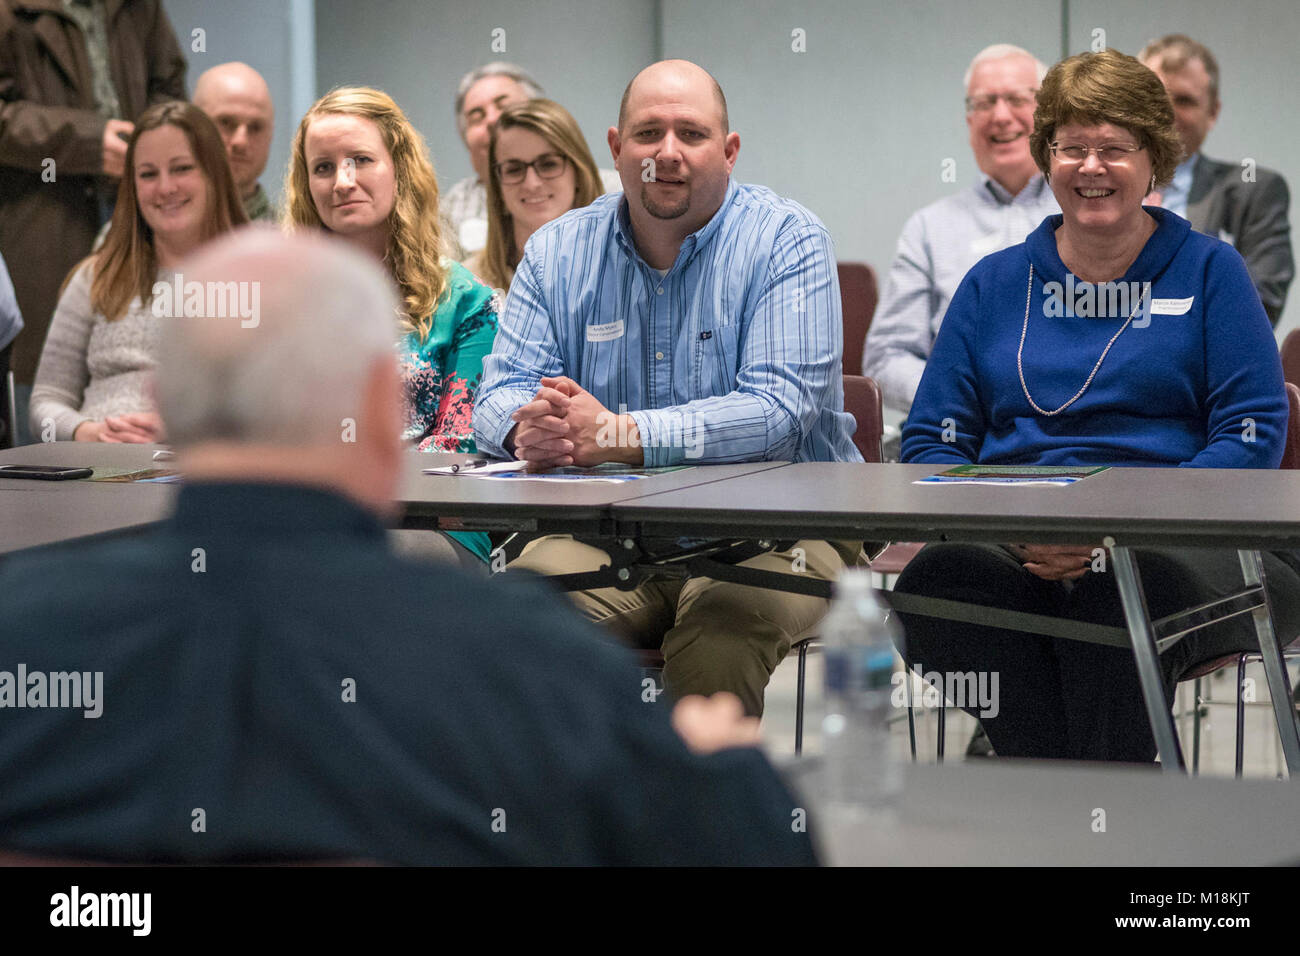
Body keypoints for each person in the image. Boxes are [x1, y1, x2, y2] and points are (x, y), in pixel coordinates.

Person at [0, 227, 816, 867]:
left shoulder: (22, 641)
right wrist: (719, 779)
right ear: (376, 409)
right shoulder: (526, 662)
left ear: (161, 407)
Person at [894, 48, 1300, 763]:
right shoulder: (993, 285)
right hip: (1020, 537)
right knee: (938, 584)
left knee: (1116, 592)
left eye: (1115, 148)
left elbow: (1250, 433)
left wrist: (1113, 532)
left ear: (1155, 161)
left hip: (1190, 543)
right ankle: (1072, 794)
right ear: (1047, 156)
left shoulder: (1211, 272)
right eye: (1071, 147)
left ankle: (1082, 811)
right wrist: (1023, 532)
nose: (1091, 168)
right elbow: (932, 440)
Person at [474, 60, 863, 719]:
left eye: (692, 134)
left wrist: (620, 436)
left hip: (780, 533)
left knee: (716, 643)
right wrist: (526, 426)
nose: (668, 153)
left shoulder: (787, 242)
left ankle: (692, 820)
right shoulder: (556, 252)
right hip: (611, 532)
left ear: (730, 151)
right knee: (514, 624)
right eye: (649, 133)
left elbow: (778, 413)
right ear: (615, 148)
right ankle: (561, 820)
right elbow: (497, 396)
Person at [285, 86, 498, 568]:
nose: (342, 181)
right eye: (323, 167)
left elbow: (456, 455)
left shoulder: (466, 303)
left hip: (435, 525)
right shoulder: (285, 302)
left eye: (360, 160)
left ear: (399, 170)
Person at [0, 0, 187, 416]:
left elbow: (171, 89)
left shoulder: (142, 8)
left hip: (140, 200)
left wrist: (153, 153)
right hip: (43, 217)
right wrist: (85, 141)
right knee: (43, 385)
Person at [28, 101, 247, 444]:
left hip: (198, 471)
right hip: (93, 474)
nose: (165, 187)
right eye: (148, 174)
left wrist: (182, 431)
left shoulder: (259, 279)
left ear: (213, 174)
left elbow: (278, 411)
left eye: (181, 168)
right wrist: (86, 432)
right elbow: (45, 402)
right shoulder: (96, 276)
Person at [863, 44, 1059, 417]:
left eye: (1018, 99)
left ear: (1048, 115)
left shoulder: (1089, 213)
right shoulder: (929, 228)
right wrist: (958, 397)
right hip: (959, 433)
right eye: (983, 104)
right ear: (969, 121)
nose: (1000, 116)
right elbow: (886, 358)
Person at [1138, 34, 1292, 325]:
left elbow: (1261, 304)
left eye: (1184, 100)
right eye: (1157, 99)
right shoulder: (1094, 185)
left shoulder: (1253, 192)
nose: (1168, 113)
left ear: (1213, 112)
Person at [443, 62, 621, 258]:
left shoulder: (616, 191)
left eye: (548, 165)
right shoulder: (452, 206)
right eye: (477, 116)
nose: (492, 120)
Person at [464, 98, 604, 292]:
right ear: (498, 188)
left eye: (548, 164)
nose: (532, 183)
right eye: (514, 169)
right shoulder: (469, 285)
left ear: (579, 173)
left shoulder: (620, 268)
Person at [193, 62, 276, 222]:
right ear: (191, 126)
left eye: (255, 127)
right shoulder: (145, 233)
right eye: (226, 122)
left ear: (270, 135)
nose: (241, 142)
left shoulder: (295, 239)